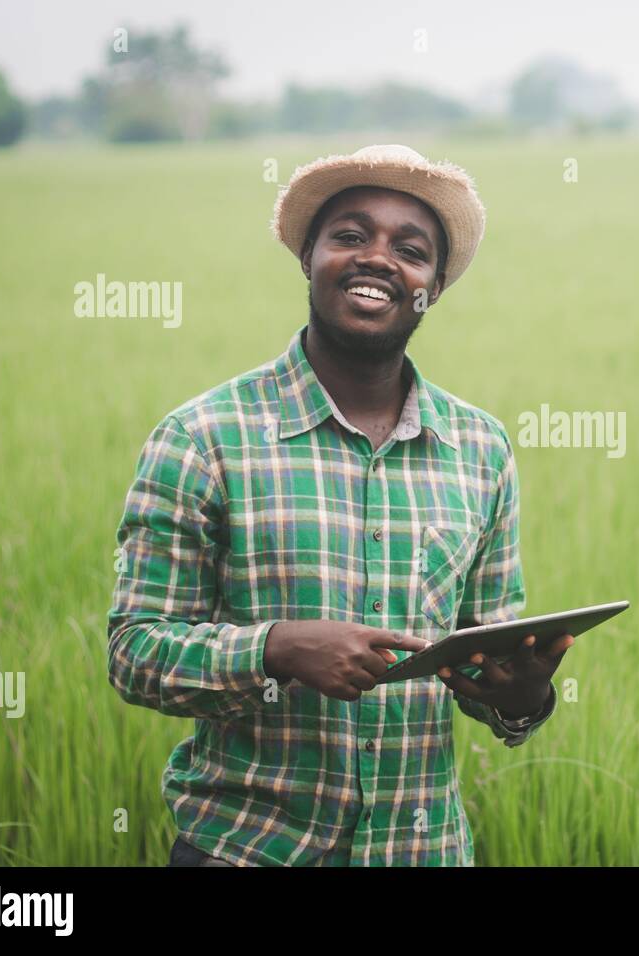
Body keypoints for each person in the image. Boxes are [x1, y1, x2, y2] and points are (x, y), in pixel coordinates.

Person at [107, 144, 574, 866]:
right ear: (308, 257)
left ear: (433, 286)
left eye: (410, 250)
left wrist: (520, 697)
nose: (379, 259)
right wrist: (278, 648)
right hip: (246, 850)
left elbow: (487, 654)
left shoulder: (481, 448)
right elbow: (135, 652)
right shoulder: (204, 439)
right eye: (350, 236)